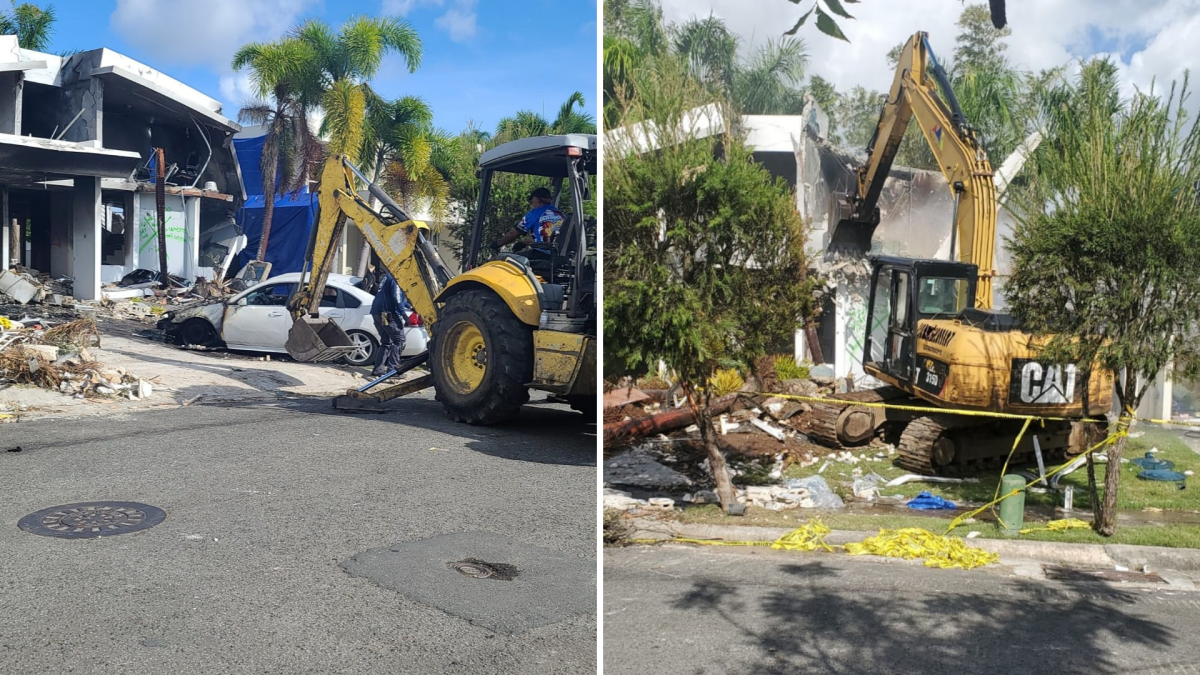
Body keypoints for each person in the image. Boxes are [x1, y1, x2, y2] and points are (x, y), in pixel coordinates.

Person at [490, 187, 564, 253]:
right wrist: (523, 243)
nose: (531, 205)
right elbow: (545, 236)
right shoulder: (560, 214)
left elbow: (513, 234)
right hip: (556, 255)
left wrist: (497, 244)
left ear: (538, 201)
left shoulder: (534, 213)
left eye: (532, 201)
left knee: (506, 260)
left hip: (541, 253)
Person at [370, 271, 409, 377]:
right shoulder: (396, 278)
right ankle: (393, 370)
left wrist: (409, 306)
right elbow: (396, 297)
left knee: (386, 341)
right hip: (387, 313)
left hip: (378, 313)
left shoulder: (387, 277)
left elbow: (392, 297)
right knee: (399, 340)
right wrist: (404, 315)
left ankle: (378, 369)